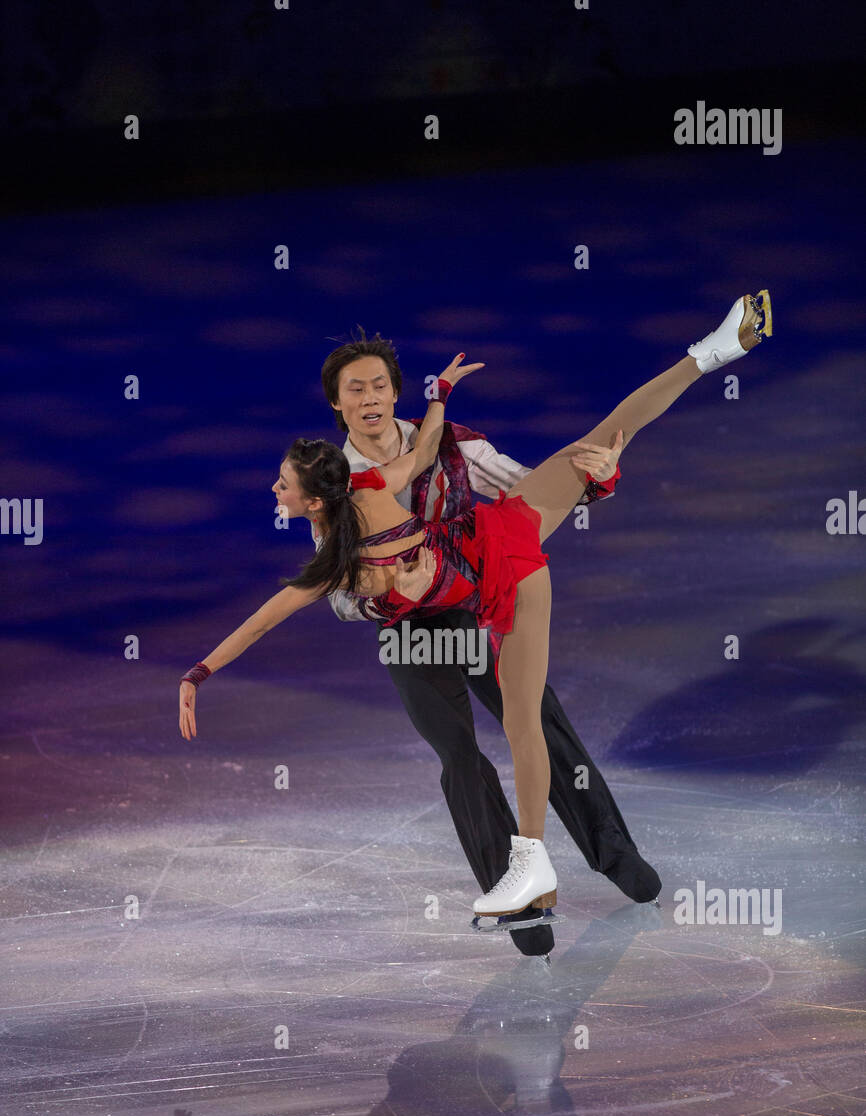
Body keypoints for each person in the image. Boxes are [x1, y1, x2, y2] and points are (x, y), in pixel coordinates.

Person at [179, 291, 772, 921]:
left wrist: (596, 476)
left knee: (537, 720)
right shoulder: (335, 492)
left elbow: (518, 487)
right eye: (355, 390)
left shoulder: (428, 457)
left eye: (379, 385)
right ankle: (520, 899)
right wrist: (375, 601)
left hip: (484, 578)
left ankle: (610, 852)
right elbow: (318, 600)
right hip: (411, 628)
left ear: (394, 393)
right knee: (460, 755)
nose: (369, 397)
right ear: (337, 403)